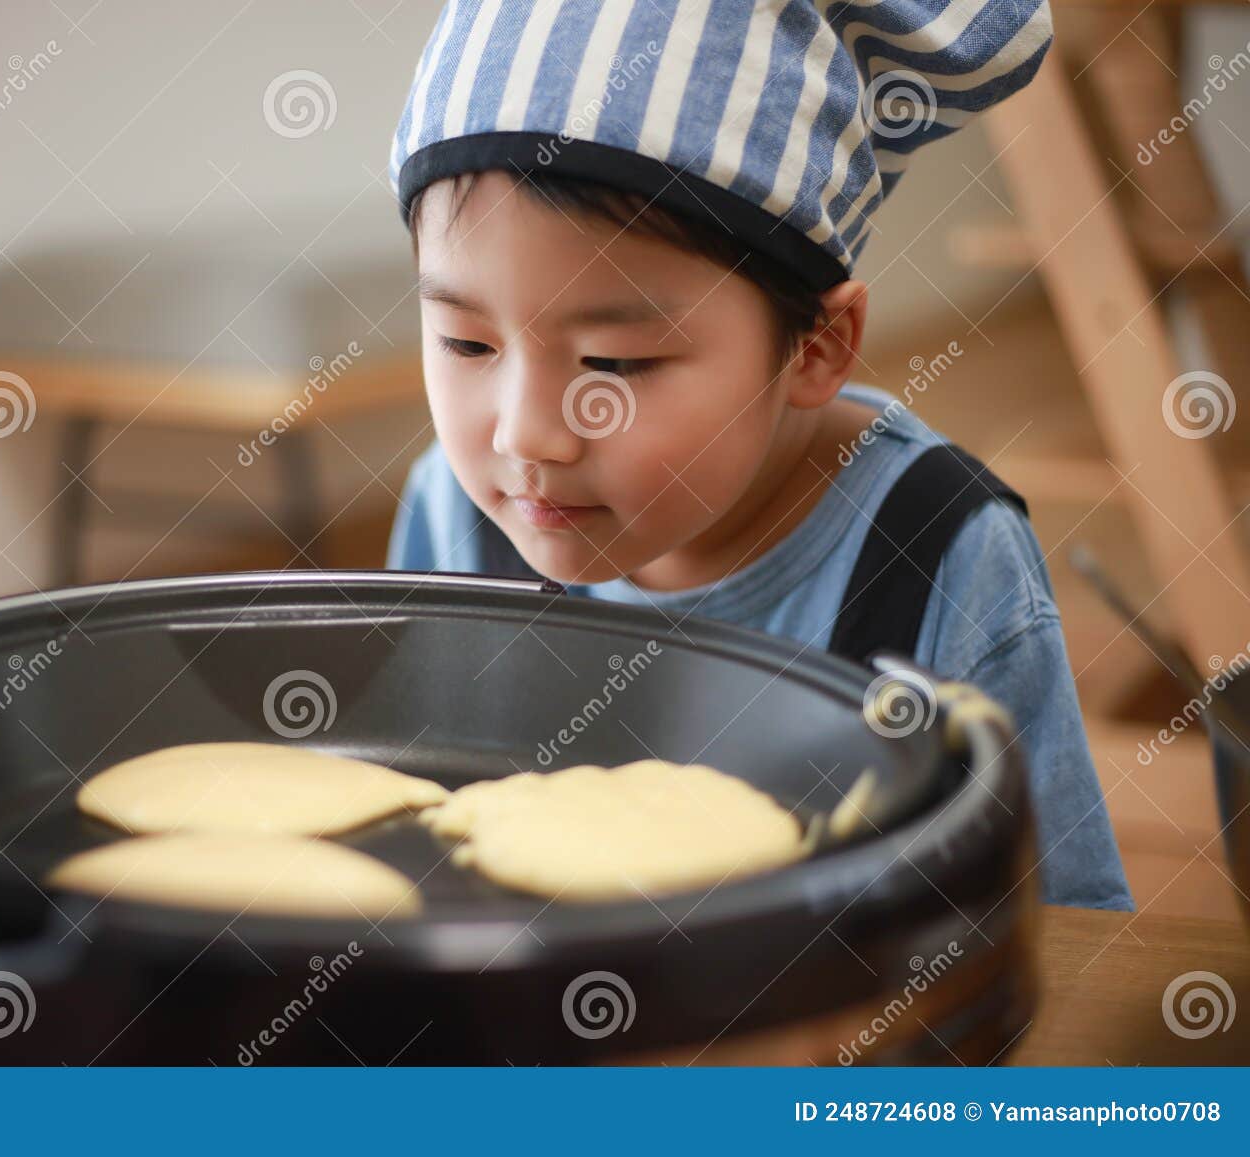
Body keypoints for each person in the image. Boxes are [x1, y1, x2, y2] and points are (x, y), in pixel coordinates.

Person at [383, 0, 1133, 910]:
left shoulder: (935, 555)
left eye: (615, 363)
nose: (524, 435)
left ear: (816, 345)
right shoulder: (451, 514)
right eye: (466, 344)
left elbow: (1062, 935)